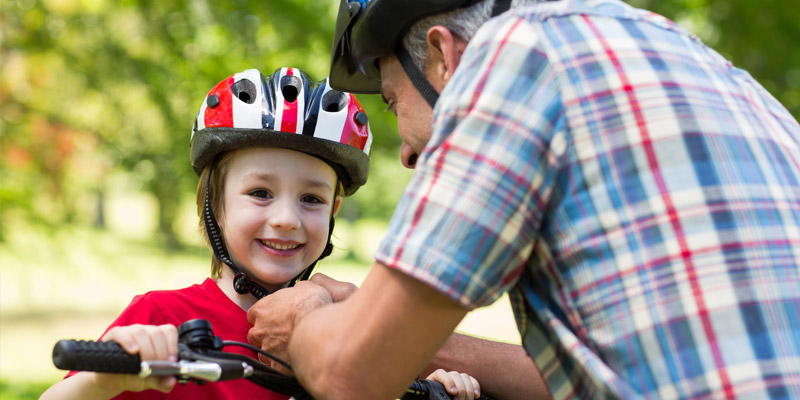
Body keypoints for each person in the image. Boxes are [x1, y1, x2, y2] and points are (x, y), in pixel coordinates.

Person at [245, 0, 800, 399]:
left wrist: (307, 322)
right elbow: (586, 376)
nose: (408, 156)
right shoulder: (711, 70)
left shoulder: (515, 58)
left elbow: (351, 376)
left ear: (445, 57)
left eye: (393, 101)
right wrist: (369, 315)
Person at [40, 67, 482, 400]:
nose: (288, 218)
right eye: (260, 192)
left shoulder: (346, 329)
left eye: (311, 199)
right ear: (215, 203)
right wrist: (103, 380)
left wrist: (431, 391)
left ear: (334, 211)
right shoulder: (161, 317)